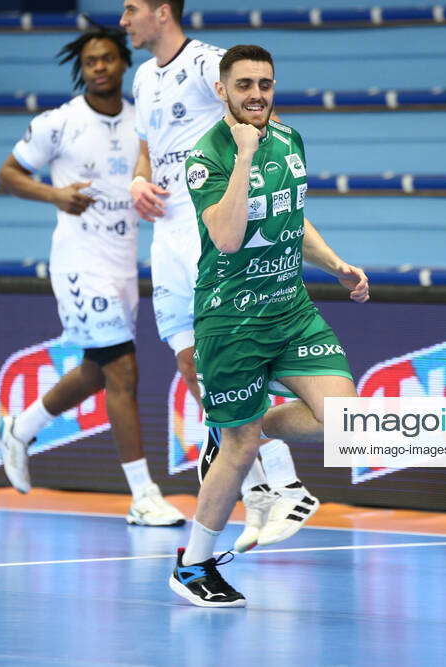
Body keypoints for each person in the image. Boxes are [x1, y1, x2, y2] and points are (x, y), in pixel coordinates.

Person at [169, 44, 370, 607]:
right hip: (232, 322)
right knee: (237, 452)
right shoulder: (205, 156)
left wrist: (334, 264)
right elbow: (228, 236)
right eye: (245, 86)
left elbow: (292, 215)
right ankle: (193, 564)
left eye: (265, 84)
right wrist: (243, 156)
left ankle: (249, 429)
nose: (256, 95)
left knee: (344, 418)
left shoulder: (290, 139)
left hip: (290, 310)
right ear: (222, 91)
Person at [120, 0, 316, 551]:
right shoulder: (143, 76)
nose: (123, 19)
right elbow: (146, 150)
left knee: (229, 358)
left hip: (208, 228)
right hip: (166, 235)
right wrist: (139, 181)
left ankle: (286, 483)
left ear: (162, 11)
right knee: (190, 365)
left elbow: (258, 113)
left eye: (131, 7)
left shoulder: (210, 62)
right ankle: (260, 491)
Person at [0, 25, 185, 527]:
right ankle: (143, 495)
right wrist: (55, 195)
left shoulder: (143, 120)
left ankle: (20, 427)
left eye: (107, 58)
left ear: (123, 63)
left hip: (123, 263)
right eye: (91, 60)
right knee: (123, 371)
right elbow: (8, 174)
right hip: (79, 264)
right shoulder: (60, 123)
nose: (99, 66)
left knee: (98, 370)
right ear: (83, 68)